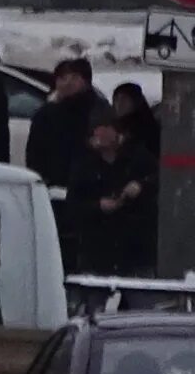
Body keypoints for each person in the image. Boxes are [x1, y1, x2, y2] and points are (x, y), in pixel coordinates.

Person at [64, 114, 156, 275]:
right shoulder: (85, 165)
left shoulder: (136, 156)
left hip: (133, 247)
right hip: (97, 249)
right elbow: (74, 205)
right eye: (97, 129)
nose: (100, 134)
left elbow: (160, 178)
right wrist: (98, 206)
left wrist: (141, 185)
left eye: (105, 128)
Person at [24, 57, 102, 191]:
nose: (68, 83)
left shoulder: (98, 111)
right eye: (62, 78)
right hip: (53, 186)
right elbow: (34, 152)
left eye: (74, 77)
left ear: (86, 81)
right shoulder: (46, 113)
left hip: (89, 188)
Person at [115, 79, 161, 160]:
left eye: (124, 99)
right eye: (116, 99)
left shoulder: (145, 127)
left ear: (135, 102)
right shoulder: (115, 125)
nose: (119, 104)